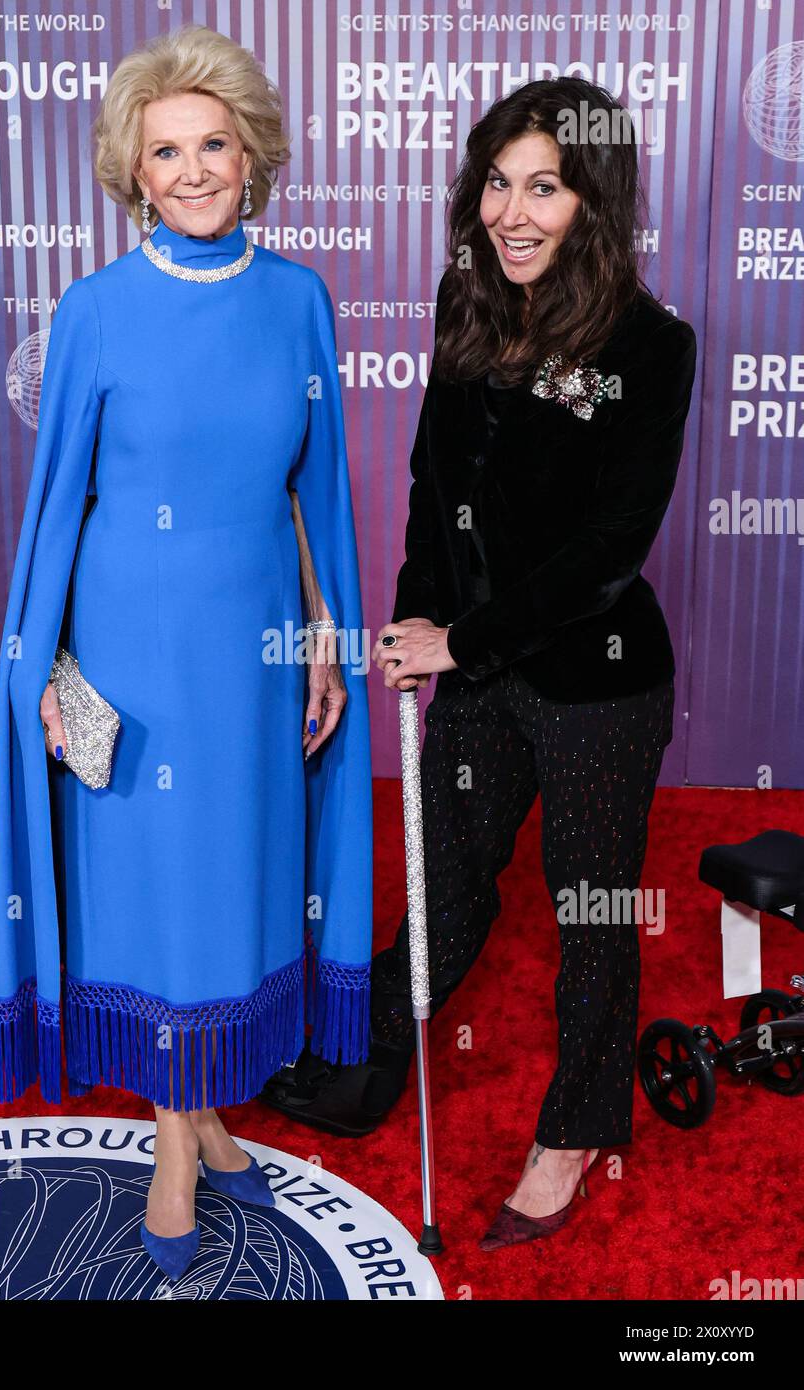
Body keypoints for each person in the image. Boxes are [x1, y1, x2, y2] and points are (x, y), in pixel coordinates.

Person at [261, 77, 697, 1251]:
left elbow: (611, 548)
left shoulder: (652, 348)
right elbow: (429, 491)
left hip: (597, 683)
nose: (512, 211)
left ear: (591, 201)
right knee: (444, 882)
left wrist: (467, 641)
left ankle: (577, 1127)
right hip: (473, 673)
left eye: (543, 186)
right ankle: (375, 1058)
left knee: (590, 907)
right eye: (498, 182)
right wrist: (415, 628)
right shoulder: (469, 304)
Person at [0, 25, 373, 1282]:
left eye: (215, 145)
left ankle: (208, 1106)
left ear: (252, 156)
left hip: (254, 645)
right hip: (134, 651)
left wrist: (323, 638)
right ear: (132, 171)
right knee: (156, 894)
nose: (196, 170)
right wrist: (51, 668)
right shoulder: (94, 311)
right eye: (168, 152)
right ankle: (170, 1134)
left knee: (239, 878)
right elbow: (58, 510)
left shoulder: (300, 296)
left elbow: (318, 491)